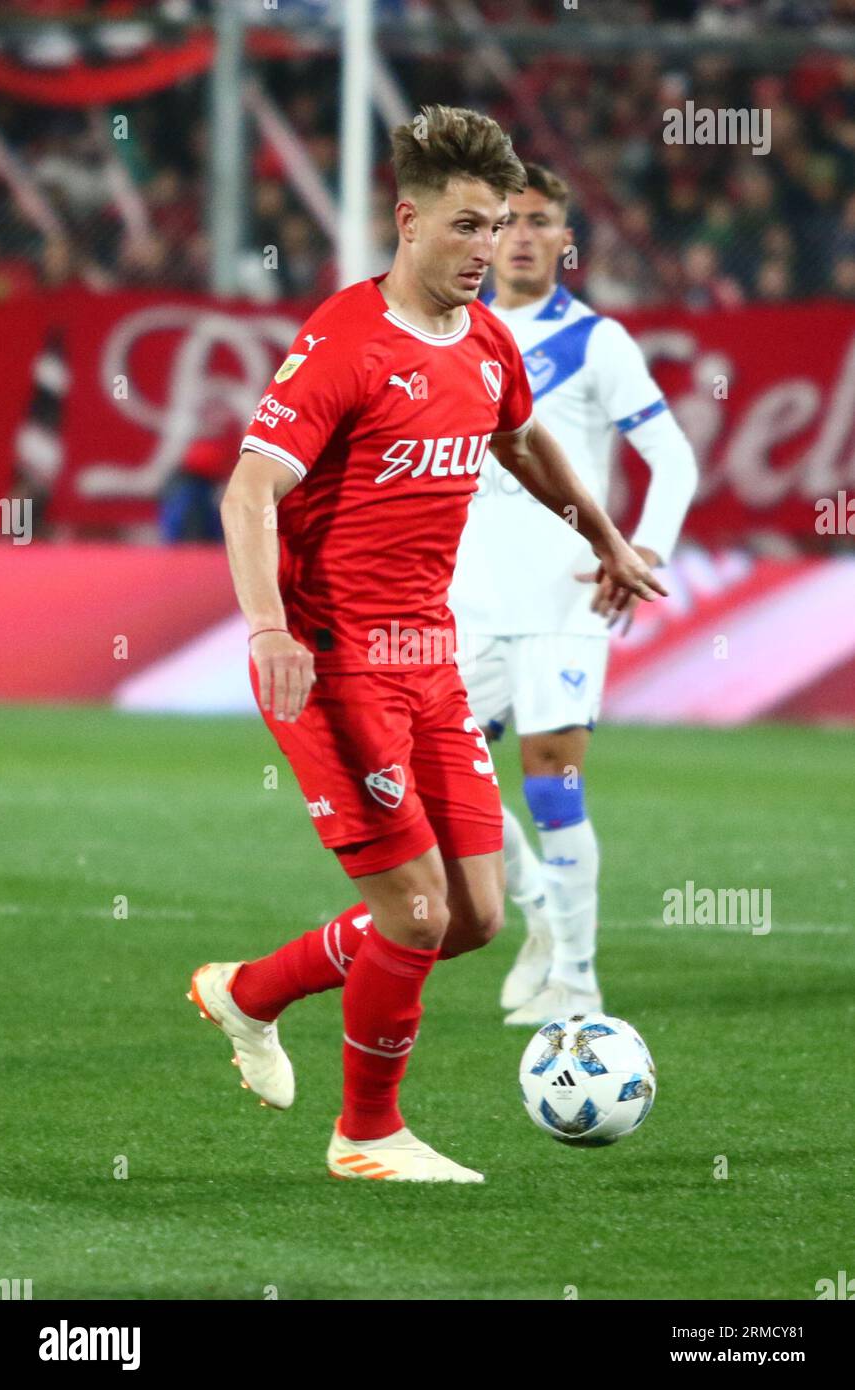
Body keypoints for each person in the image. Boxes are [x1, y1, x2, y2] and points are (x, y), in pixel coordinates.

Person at [188, 107, 664, 1184]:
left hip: (427, 657)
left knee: (473, 917)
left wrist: (602, 534)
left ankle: (251, 991)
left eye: (497, 227)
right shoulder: (344, 345)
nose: (485, 250)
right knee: (413, 906)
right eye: (464, 228)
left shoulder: (485, 339)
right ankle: (367, 1135)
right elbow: (248, 490)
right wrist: (268, 627)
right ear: (407, 222)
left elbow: (521, 436)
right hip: (329, 660)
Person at [448, 164, 699, 1024]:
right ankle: (541, 920)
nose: (519, 234)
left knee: (551, 783)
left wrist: (640, 552)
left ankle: (580, 988)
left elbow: (675, 458)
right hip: (462, 599)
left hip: (565, 595)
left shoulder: (599, 342)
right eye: (505, 219)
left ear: (566, 240)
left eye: (539, 220)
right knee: (446, 784)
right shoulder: (453, 331)